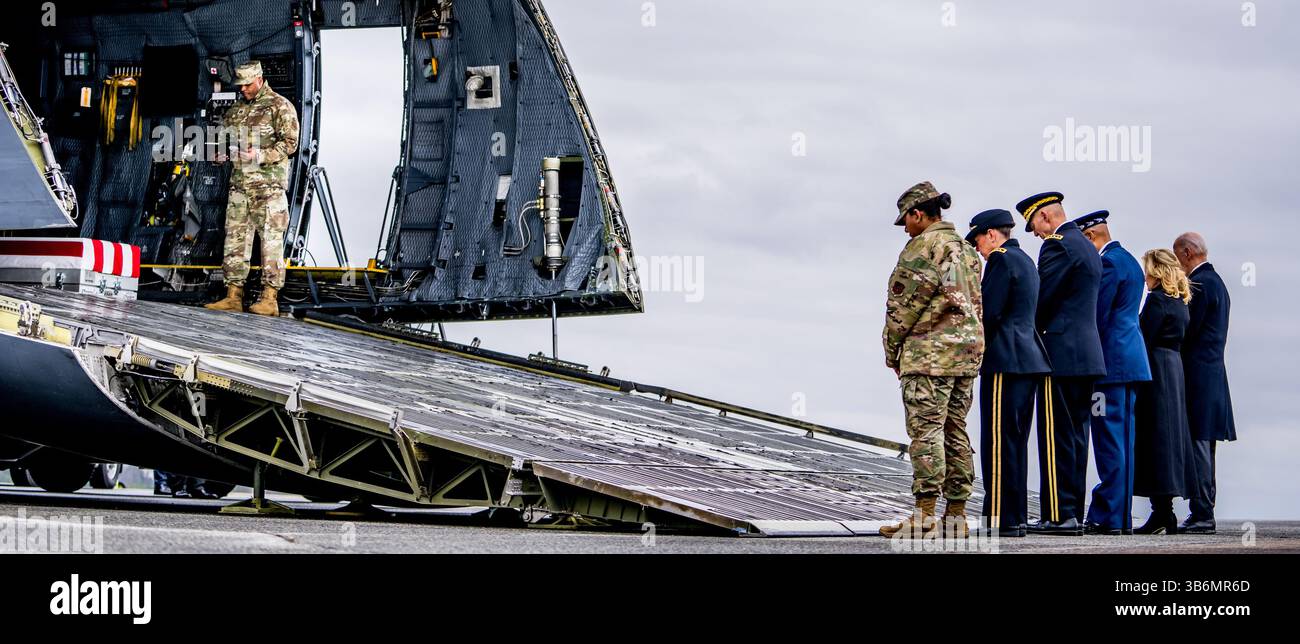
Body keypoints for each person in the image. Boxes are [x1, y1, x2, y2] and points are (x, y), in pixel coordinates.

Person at [880, 182, 984, 539]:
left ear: (918, 214)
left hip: (929, 357)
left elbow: (901, 309)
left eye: (906, 221)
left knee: (926, 432)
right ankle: (956, 516)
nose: (905, 228)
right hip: (966, 356)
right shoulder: (968, 250)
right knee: (956, 430)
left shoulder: (922, 248)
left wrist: (892, 352)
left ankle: (924, 515)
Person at [1015, 192, 1106, 536]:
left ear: (1046, 218)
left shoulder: (1057, 245)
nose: (1036, 234)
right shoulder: (1085, 246)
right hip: (1085, 354)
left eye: (1034, 226)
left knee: (1055, 437)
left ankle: (1058, 514)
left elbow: (1043, 299)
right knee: (1076, 437)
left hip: (1061, 354)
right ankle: (1071, 511)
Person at [966, 209, 1051, 537]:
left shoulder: (1000, 260)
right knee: (1015, 439)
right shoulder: (1025, 260)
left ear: (990, 234)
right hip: (1028, 360)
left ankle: (1000, 516)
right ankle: (1013, 515)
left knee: (998, 441)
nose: (977, 249)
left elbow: (990, 312)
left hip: (1005, 359)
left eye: (977, 241)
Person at [1073, 211, 1151, 535]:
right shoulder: (1130, 261)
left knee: (1108, 443)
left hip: (1109, 366)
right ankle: (1119, 516)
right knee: (1123, 442)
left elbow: (1097, 317)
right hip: (1130, 363)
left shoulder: (1108, 264)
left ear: (1091, 238)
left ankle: (1109, 515)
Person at [205, 60, 301, 317]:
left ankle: (269, 299)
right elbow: (224, 139)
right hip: (240, 186)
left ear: (259, 78)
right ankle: (233, 296)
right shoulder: (236, 110)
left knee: (270, 239)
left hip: (268, 187)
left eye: (247, 84)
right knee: (235, 238)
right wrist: (222, 153)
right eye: (241, 85)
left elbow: (290, 144)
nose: (244, 89)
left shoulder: (279, 106)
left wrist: (259, 155)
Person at [1173, 232, 1236, 534]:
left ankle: (1201, 513)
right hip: (1213, 375)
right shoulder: (1218, 283)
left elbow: (1188, 330)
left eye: (1176, 257)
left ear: (1186, 253)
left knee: (1198, 442)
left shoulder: (1199, 284)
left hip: (1197, 376)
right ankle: (1203, 509)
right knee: (1205, 445)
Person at [1133, 249, 1195, 534]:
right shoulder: (1181, 302)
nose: (1144, 277)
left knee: (1156, 439)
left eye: (1147, 271)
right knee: (1169, 440)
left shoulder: (1157, 302)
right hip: (1174, 369)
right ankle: (1164, 512)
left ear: (1157, 272)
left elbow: (1144, 337)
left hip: (1156, 370)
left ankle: (1162, 513)